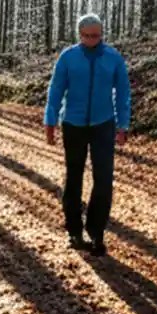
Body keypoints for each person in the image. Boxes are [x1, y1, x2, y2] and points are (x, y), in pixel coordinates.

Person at [43, 14, 131, 257]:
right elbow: (56, 90)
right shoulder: (68, 57)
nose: (93, 40)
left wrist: (123, 125)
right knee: (74, 177)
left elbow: (123, 92)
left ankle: (96, 231)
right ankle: (74, 230)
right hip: (73, 123)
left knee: (103, 179)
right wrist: (50, 122)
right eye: (87, 36)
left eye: (97, 35)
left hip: (104, 124)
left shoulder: (113, 57)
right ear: (79, 35)